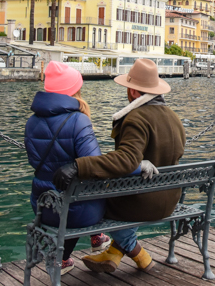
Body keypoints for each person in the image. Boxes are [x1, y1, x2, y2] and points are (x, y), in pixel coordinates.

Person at [53, 58, 186, 274]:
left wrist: (78, 166)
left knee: (93, 203)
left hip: (143, 202)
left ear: (134, 92)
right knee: (119, 194)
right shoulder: (173, 117)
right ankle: (113, 255)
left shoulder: (136, 118)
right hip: (170, 198)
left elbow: (127, 160)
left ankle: (140, 255)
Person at [25, 62, 157, 275]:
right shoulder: (78, 120)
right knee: (105, 195)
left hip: (42, 206)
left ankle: (78, 252)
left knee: (75, 194)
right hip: (79, 212)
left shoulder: (31, 121)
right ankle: (108, 242)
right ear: (73, 90)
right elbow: (95, 164)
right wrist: (137, 165)